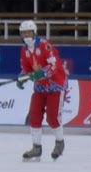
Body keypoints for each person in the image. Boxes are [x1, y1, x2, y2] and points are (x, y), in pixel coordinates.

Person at [18, 20, 68, 162]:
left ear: (34, 32)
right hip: (40, 87)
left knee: (52, 117)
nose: (26, 35)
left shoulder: (45, 45)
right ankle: (36, 147)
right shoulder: (24, 51)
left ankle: (59, 142)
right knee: (34, 115)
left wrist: (41, 73)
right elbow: (26, 69)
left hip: (55, 86)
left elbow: (54, 65)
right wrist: (22, 77)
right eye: (24, 33)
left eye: (29, 32)